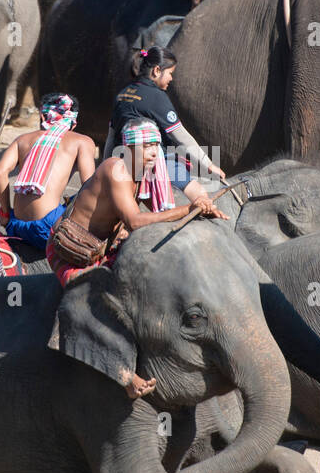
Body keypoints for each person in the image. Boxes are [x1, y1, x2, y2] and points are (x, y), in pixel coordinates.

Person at [46, 120, 227, 395]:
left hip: (102, 248)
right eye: (148, 146)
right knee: (93, 303)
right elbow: (136, 222)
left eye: (156, 145)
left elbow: (156, 212)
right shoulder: (116, 169)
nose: (154, 152)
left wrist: (200, 209)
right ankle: (124, 375)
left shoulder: (145, 174)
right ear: (129, 148)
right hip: (72, 254)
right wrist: (185, 210)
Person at [107, 46, 226, 199]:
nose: (171, 78)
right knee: (201, 194)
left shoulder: (123, 93)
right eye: (170, 73)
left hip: (120, 161)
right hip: (151, 162)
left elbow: (111, 137)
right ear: (157, 70)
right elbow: (181, 137)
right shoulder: (157, 97)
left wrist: (107, 165)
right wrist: (209, 166)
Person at [0, 93, 97, 250]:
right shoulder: (82, 141)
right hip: (47, 227)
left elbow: (0, 173)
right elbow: (90, 186)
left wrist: (6, 214)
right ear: (73, 123)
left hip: (15, 226)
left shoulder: (22, 139)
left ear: (42, 116)